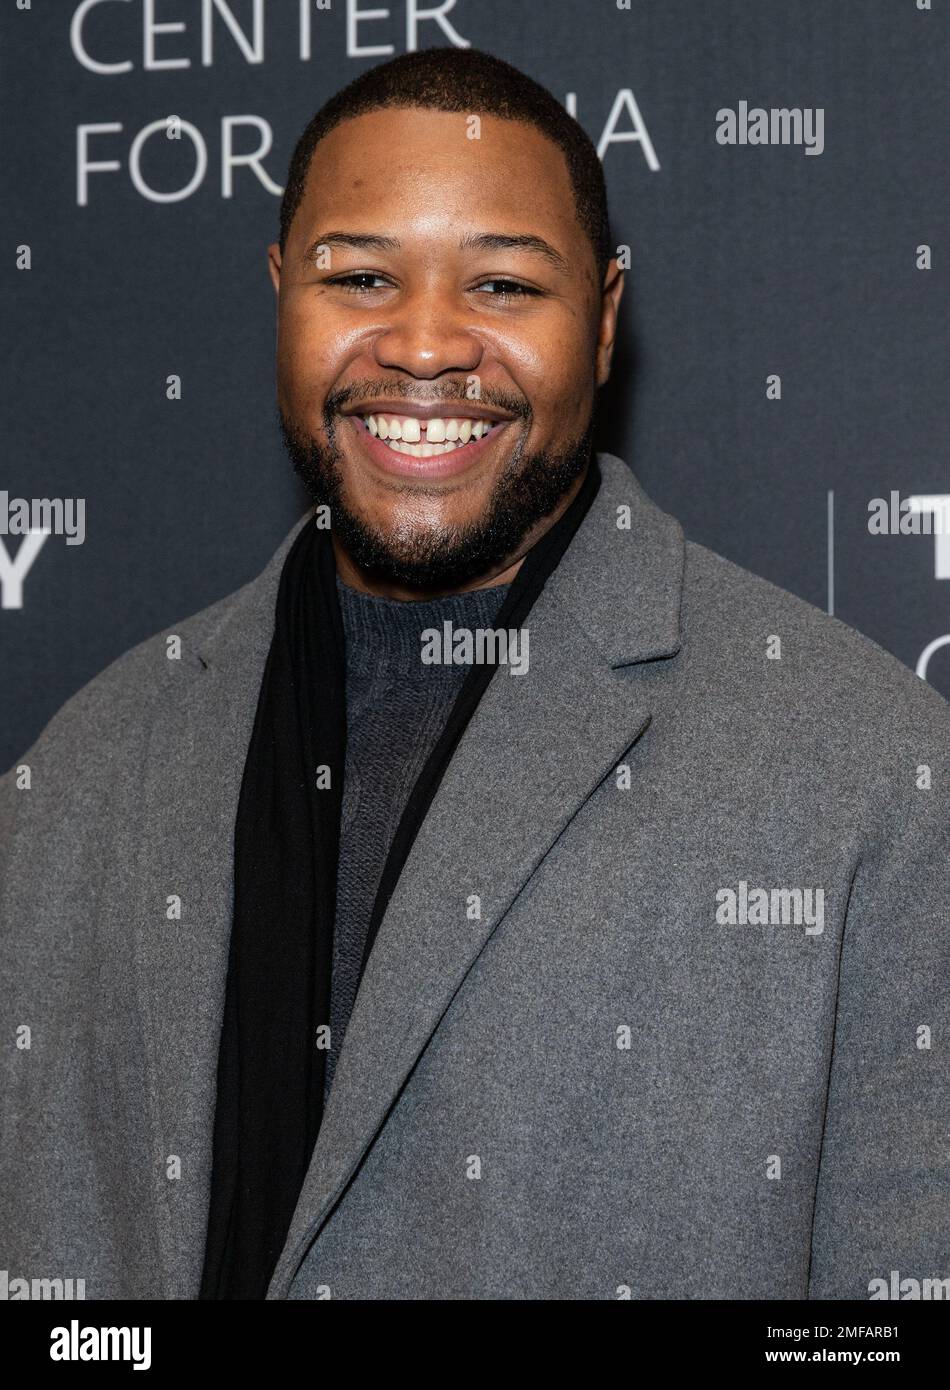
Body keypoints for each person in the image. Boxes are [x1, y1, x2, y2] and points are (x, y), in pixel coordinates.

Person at [1, 47, 947, 1302]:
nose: (428, 346)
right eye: (360, 276)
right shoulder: (86, 761)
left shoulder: (867, 773)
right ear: (281, 295)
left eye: (502, 282)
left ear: (603, 322)